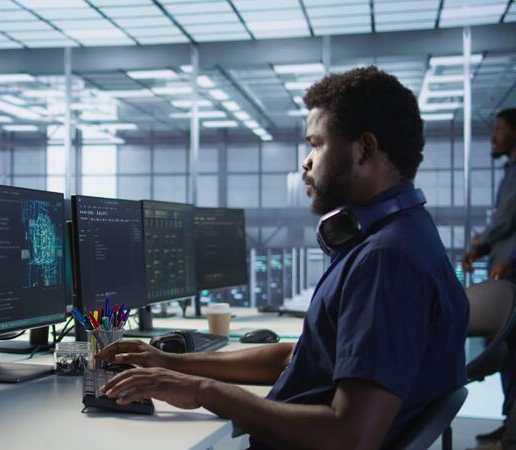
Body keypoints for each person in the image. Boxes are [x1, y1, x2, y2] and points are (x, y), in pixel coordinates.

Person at [95, 67, 469, 450]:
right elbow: (300, 357)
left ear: (365, 149)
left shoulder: (385, 262)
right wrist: (170, 364)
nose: (306, 162)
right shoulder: (404, 235)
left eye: (317, 144)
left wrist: (204, 391)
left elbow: (350, 436)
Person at [463, 108, 516, 444]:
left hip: (512, 271)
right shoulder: (509, 172)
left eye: (499, 129)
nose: (493, 136)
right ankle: (510, 419)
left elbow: (507, 223)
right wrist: (481, 249)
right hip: (506, 268)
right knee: (508, 356)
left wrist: (504, 255)